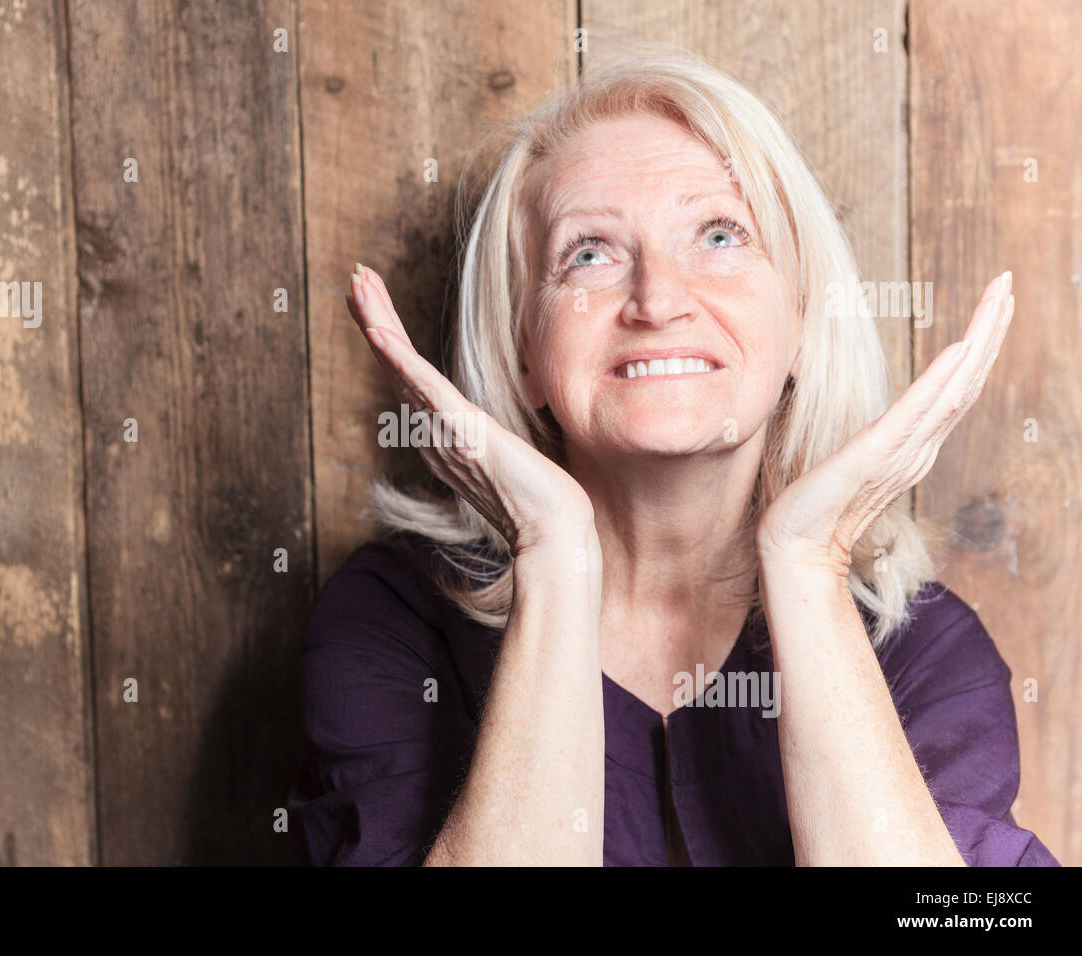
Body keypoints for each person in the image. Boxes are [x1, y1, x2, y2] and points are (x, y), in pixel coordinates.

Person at [287, 46, 1058, 866]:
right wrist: (552, 550)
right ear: (521, 347)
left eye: (720, 235)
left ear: (799, 316)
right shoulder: (396, 621)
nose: (657, 299)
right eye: (589, 252)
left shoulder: (924, 650)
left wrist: (807, 564)